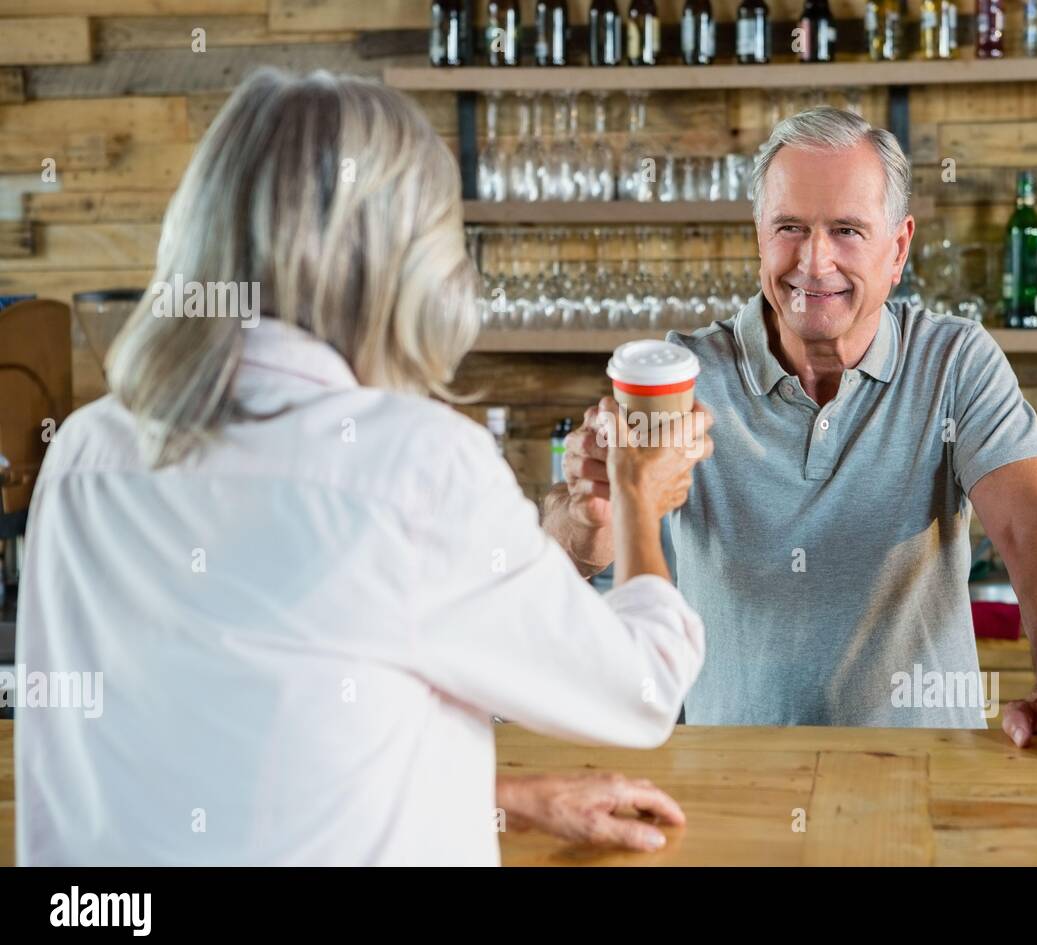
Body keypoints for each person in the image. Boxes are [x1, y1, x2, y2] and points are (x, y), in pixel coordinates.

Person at [15, 68, 713, 865]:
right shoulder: (411, 464)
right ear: (403, 268)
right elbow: (644, 689)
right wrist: (638, 494)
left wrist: (498, 800)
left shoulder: (83, 451)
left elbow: (203, 753)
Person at [547, 107, 1037, 764]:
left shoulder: (954, 361)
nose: (815, 261)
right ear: (758, 237)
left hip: (924, 781)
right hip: (729, 781)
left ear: (898, 248)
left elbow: (1033, 524)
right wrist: (587, 524)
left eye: (846, 230)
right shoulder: (681, 377)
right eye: (790, 228)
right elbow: (577, 577)